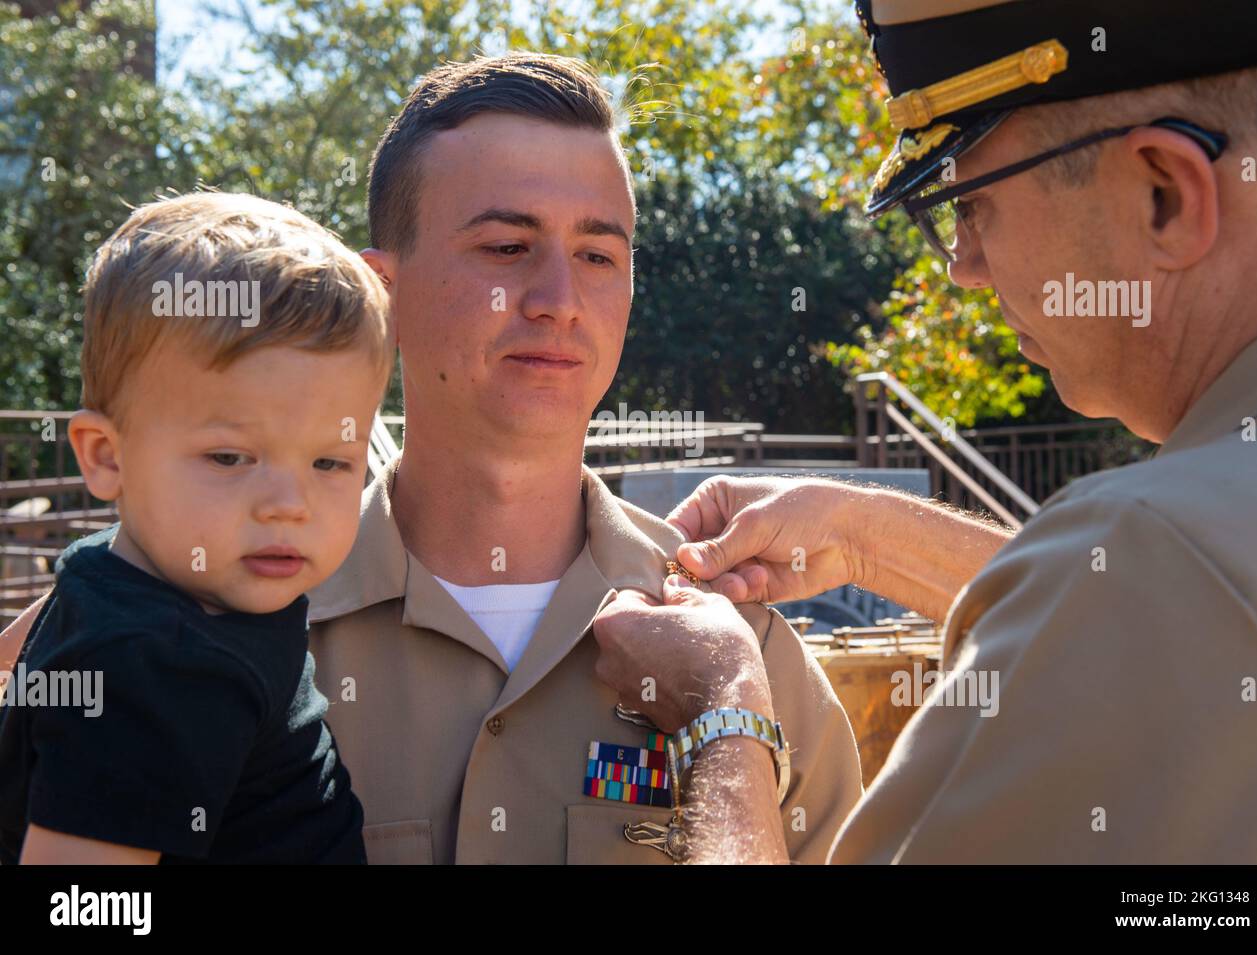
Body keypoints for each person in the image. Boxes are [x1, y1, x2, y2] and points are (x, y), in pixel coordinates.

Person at [593, 0, 1257, 863]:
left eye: (971, 203)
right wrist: (864, 538)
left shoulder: (1155, 556)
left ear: (1163, 194)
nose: (962, 265)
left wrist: (724, 711)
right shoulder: (1194, 548)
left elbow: (1173, 596)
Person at [295, 52, 862, 864]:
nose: (558, 301)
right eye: (505, 247)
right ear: (383, 293)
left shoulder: (740, 653)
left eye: (597, 256)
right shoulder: (257, 625)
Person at [0, 192, 394, 863]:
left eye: (331, 460)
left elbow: (18, 655)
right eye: (229, 457)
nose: (288, 503)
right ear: (107, 455)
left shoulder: (122, 570)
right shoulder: (154, 668)